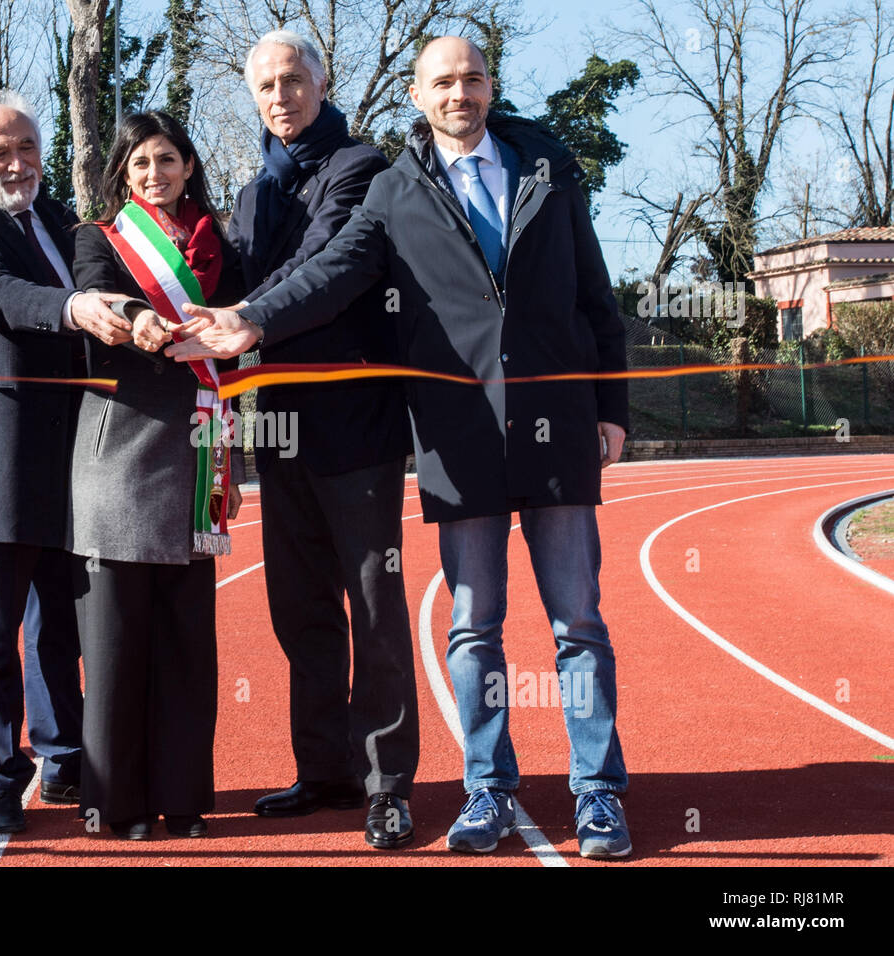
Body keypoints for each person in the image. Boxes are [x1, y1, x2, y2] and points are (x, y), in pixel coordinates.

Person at [169, 36, 633, 859]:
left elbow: (595, 295)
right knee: (473, 627)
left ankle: (598, 793)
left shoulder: (551, 168)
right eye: (442, 82)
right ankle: (487, 791)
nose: (460, 92)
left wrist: (612, 406)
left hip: (556, 423)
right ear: (416, 95)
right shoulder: (393, 189)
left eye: (472, 78)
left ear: (489, 86)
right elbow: (337, 269)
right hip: (457, 437)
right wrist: (251, 322)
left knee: (578, 623)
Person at [0, 88, 133, 834]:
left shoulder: (63, 220)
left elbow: (106, 282)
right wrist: (73, 308)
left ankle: (63, 753)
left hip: (76, 452)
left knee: (61, 625)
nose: (18, 164)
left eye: (27, 148)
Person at [228, 30, 418, 850]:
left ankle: (385, 785)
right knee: (299, 609)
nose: (281, 96)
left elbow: (322, 265)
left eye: (293, 79)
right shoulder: (249, 194)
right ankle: (324, 770)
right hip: (279, 428)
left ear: (322, 80)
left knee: (373, 610)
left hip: (358, 430)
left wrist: (232, 319)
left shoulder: (363, 169)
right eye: (266, 85)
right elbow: (223, 274)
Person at [68, 110, 244, 840]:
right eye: (139, 164)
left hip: (202, 451)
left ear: (188, 166)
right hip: (122, 460)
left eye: (166, 160)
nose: (154, 174)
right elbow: (97, 301)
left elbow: (239, 333)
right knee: (115, 645)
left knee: (186, 642)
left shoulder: (217, 245)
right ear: (122, 176)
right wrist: (137, 317)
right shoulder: (98, 239)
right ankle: (116, 801)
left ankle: (183, 798)